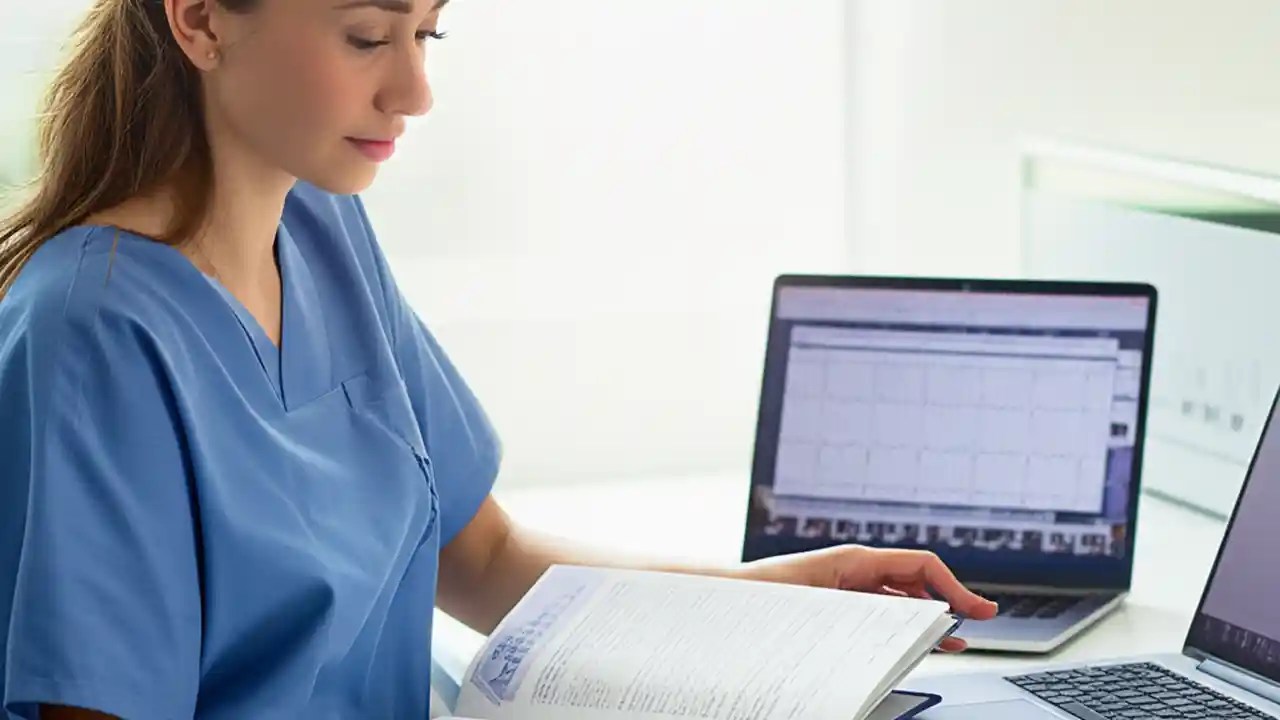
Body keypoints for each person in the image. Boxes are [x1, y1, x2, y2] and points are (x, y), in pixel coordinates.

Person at [0, 0, 998, 717]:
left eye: (426, 33)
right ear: (201, 20)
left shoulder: (324, 233)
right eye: (365, 36)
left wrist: (789, 592)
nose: (415, 89)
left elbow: (480, 559)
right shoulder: (94, 336)